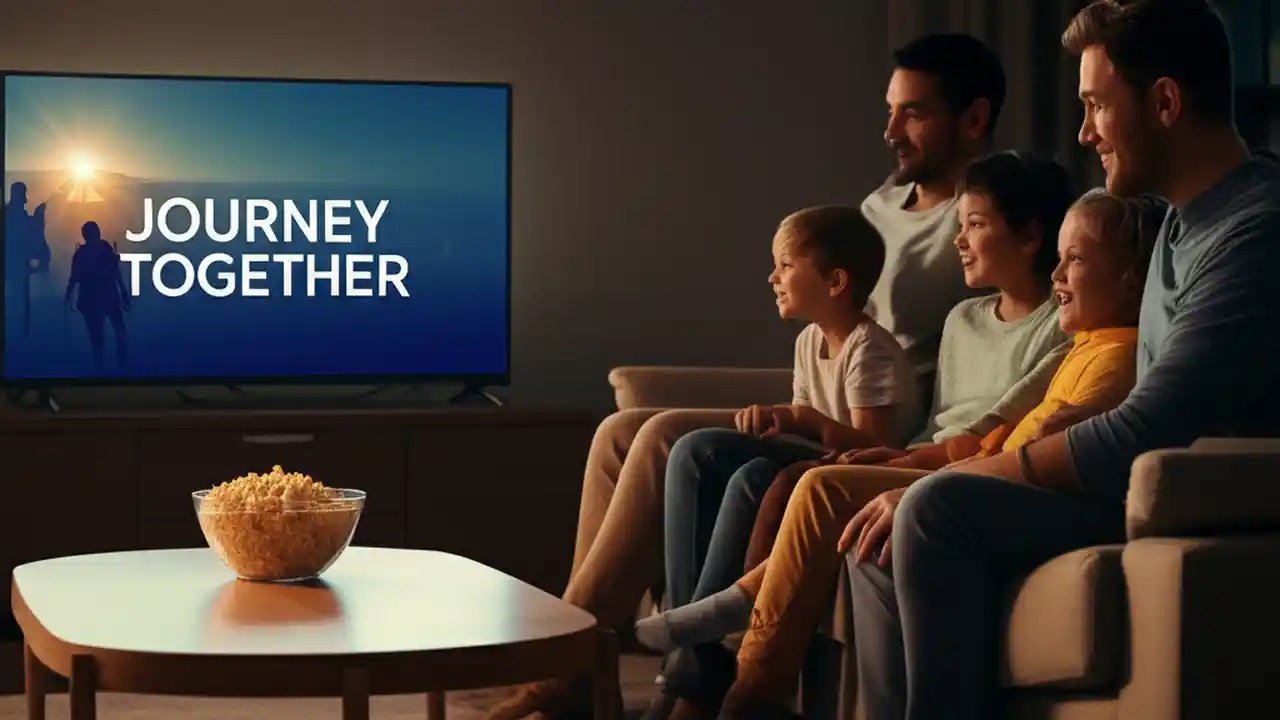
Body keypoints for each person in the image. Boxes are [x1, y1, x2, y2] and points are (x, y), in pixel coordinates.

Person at [485, 31, 1007, 720]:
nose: (890, 130)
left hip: (880, 419)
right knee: (621, 433)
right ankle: (585, 673)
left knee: (671, 436)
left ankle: (562, 668)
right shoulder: (882, 206)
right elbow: (835, 321)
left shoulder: (988, 216)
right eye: (890, 110)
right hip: (831, 388)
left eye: (912, 113)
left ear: (973, 119)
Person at [847, 2, 1280, 719]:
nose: (1083, 133)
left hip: (1196, 503)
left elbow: (1150, 431)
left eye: (1095, 107)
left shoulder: (1254, 235)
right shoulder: (1179, 220)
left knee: (934, 508)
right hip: (1138, 489)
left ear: (1165, 102)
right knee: (882, 522)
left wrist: (963, 469)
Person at [636, 151, 1098, 720]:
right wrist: (904, 452)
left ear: (1030, 235)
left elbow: (1002, 419)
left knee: (815, 485)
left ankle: (742, 669)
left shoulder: (1064, 323)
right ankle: (721, 634)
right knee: (739, 466)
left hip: (963, 464)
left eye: (975, 224)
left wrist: (908, 460)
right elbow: (942, 415)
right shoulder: (962, 319)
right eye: (959, 226)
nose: (959, 241)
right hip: (927, 452)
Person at [65, 221, 131, 369]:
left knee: (119, 331)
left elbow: (115, 272)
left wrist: (124, 292)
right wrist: (68, 296)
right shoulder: (82, 254)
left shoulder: (104, 248)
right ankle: (100, 369)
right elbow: (74, 277)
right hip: (92, 300)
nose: (97, 234)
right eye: (94, 232)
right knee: (98, 338)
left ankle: (121, 365)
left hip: (108, 297)